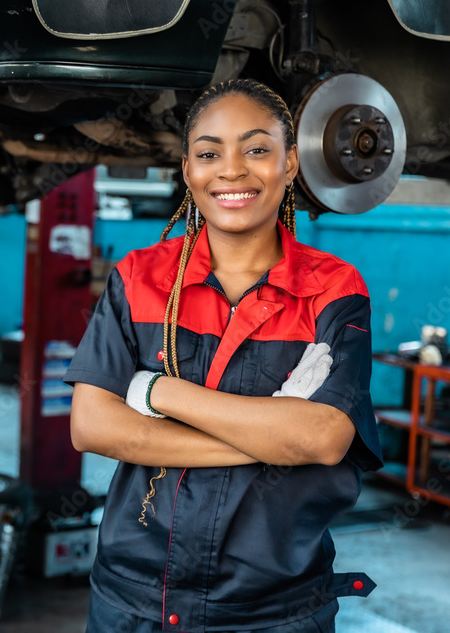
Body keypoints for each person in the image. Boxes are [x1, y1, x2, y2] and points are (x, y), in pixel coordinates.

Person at [65, 78, 383, 632]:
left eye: (257, 149)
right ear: (189, 171)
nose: (232, 170)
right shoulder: (138, 279)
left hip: (270, 609)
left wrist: (155, 391)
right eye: (209, 153)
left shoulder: (332, 288)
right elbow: (92, 427)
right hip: (133, 600)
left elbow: (322, 439)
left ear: (289, 166)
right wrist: (270, 440)